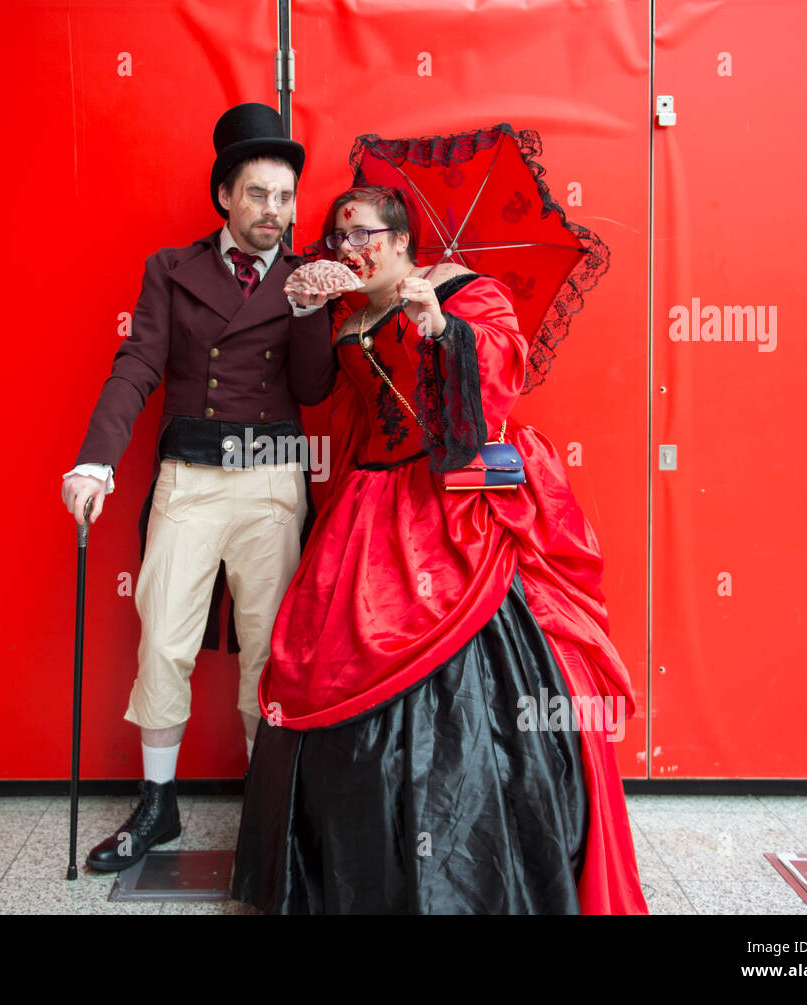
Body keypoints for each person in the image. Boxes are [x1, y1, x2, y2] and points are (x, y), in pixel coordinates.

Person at [230, 185, 649, 914]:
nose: (347, 249)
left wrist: (443, 330)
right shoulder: (345, 311)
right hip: (372, 494)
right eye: (337, 237)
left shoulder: (462, 292)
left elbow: (503, 378)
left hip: (454, 499)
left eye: (361, 235)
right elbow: (336, 398)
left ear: (400, 240)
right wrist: (304, 313)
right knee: (324, 654)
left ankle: (485, 869)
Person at [62, 103, 335, 872]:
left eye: (285, 197)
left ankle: (267, 808)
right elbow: (137, 367)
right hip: (189, 480)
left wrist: (312, 312)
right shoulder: (170, 271)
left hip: (273, 486)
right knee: (164, 641)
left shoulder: (303, 277)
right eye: (258, 194)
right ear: (225, 195)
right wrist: (95, 461)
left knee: (267, 651)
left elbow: (313, 389)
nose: (273, 212)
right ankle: (158, 801)